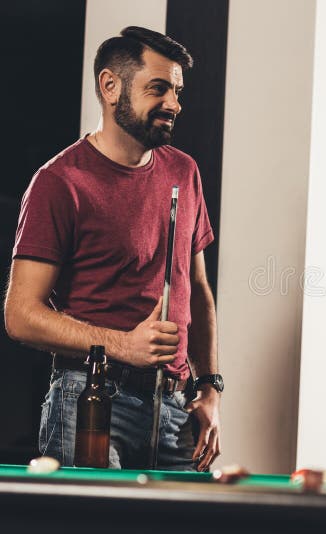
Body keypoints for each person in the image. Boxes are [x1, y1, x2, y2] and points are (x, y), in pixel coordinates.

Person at [4, 27, 223, 471]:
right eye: (158, 88)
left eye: (177, 91)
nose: (174, 104)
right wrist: (123, 345)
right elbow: (20, 315)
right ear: (110, 86)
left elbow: (194, 287)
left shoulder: (184, 170)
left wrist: (209, 387)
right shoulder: (59, 182)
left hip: (174, 406)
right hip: (90, 400)